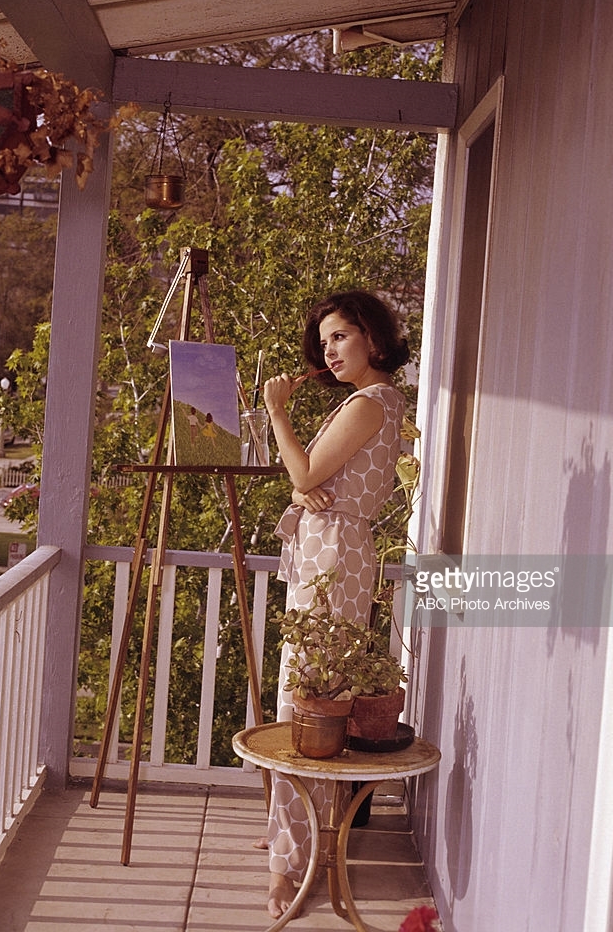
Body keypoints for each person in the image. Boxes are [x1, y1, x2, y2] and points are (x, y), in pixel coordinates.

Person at [261, 289, 410, 920]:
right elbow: (312, 481)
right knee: (314, 699)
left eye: (341, 336)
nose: (329, 349)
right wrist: (315, 488)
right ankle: (299, 846)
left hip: (334, 557)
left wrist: (275, 412)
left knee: (309, 703)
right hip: (333, 552)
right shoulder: (374, 402)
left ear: (374, 339)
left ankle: (294, 864)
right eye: (324, 341)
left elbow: (301, 474)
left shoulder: (371, 403)